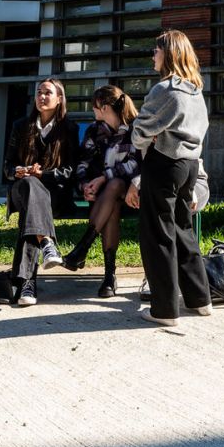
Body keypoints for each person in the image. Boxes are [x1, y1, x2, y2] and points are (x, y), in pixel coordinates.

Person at [130, 28, 211, 327]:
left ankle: (164, 310)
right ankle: (200, 299)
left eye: (156, 50)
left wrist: (142, 146)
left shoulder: (165, 89)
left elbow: (141, 128)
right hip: (189, 165)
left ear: (170, 53)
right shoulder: (195, 90)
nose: (153, 54)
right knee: (183, 230)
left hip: (164, 162)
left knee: (158, 235)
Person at [1, 78, 78, 305]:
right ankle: (47, 243)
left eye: (47, 93)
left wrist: (42, 175)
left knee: (31, 209)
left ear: (59, 99)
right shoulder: (20, 126)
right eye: (38, 93)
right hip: (20, 189)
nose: (42, 97)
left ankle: (27, 285)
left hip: (54, 195)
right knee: (29, 187)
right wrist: (18, 171)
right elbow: (6, 166)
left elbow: (70, 170)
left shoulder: (69, 129)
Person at [63, 85, 140, 298]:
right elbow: (82, 163)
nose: (93, 111)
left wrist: (102, 178)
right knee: (111, 200)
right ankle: (108, 276)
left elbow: (135, 165)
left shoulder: (135, 129)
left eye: (95, 106)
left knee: (114, 185)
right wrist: (85, 186)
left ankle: (84, 246)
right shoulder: (94, 131)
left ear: (104, 107)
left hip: (131, 192)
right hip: (104, 198)